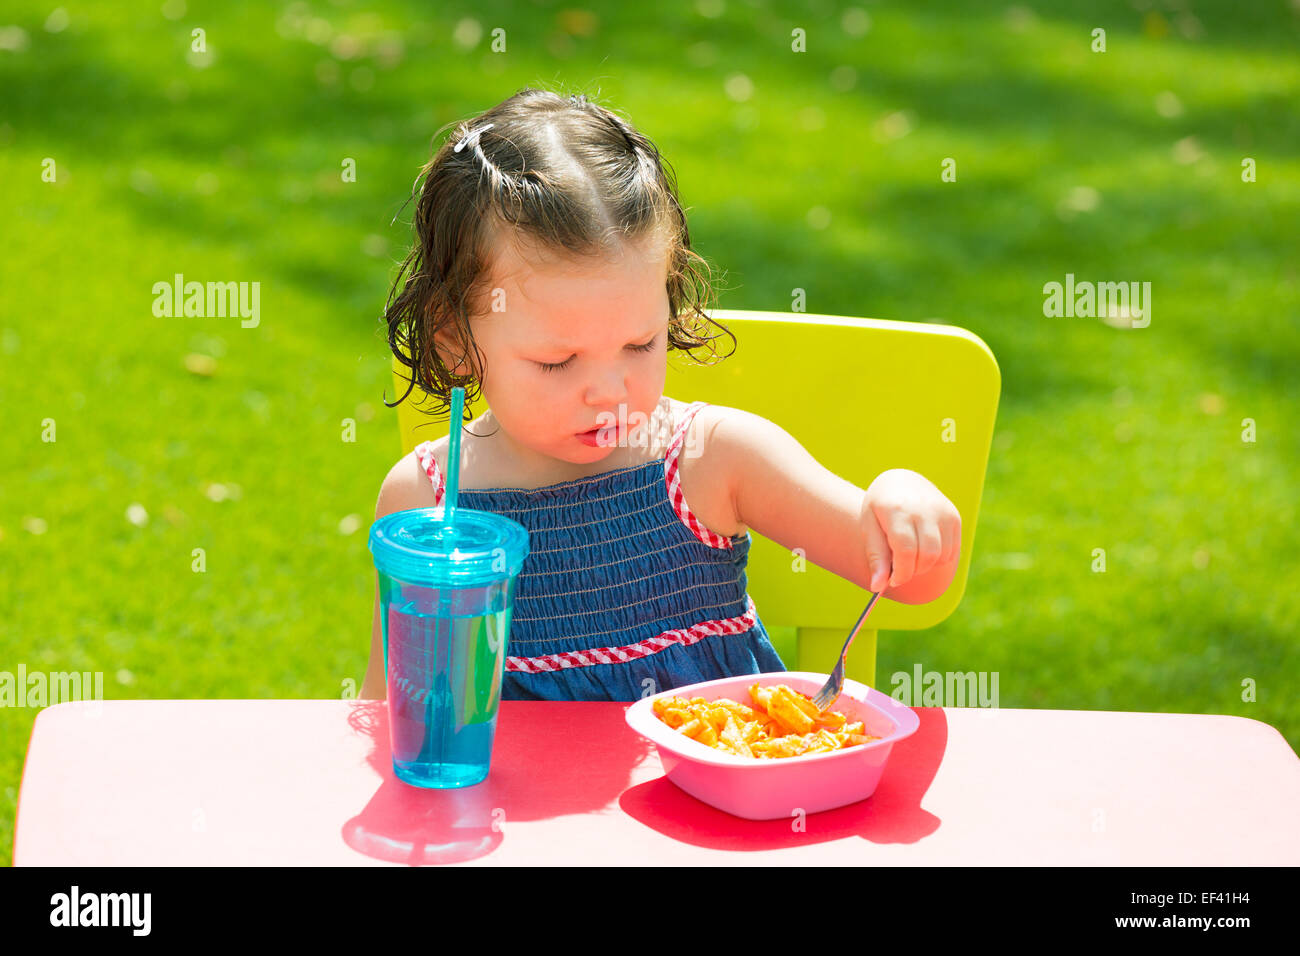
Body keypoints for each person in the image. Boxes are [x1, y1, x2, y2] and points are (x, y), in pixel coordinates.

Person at [360, 87, 961, 702]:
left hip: (712, 796)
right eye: (557, 360)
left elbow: (907, 579)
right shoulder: (430, 502)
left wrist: (902, 505)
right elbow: (389, 709)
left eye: (641, 344)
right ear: (456, 340)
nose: (609, 390)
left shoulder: (713, 461)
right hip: (510, 802)